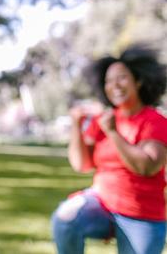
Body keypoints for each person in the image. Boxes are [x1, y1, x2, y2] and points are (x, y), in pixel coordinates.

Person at [51, 45, 167, 254]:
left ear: (138, 81)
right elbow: (82, 164)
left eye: (122, 78)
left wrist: (113, 133)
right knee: (65, 218)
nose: (115, 85)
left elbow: (147, 167)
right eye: (108, 81)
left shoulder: (154, 121)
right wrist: (76, 126)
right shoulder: (103, 120)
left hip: (142, 214)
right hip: (101, 203)